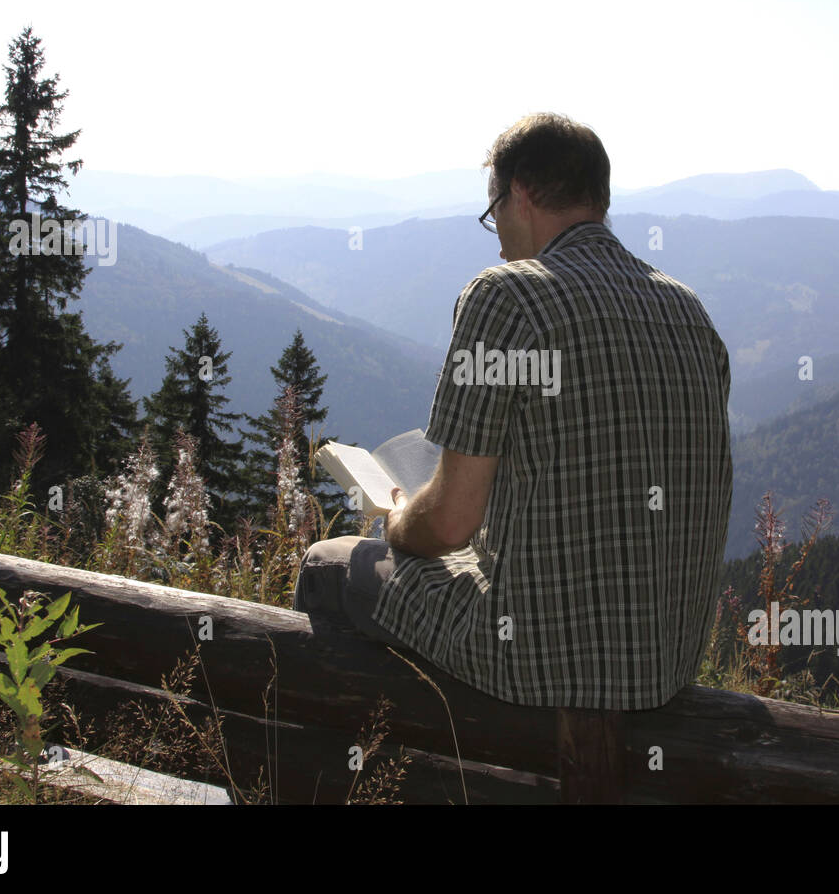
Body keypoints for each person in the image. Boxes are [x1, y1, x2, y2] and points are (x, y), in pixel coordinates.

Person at [293, 112, 732, 711]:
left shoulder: (506, 295)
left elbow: (448, 524)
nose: (496, 234)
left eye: (493, 210)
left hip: (533, 658)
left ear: (519, 195)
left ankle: (339, 773)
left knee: (328, 564)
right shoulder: (690, 313)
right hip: (667, 665)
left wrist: (395, 517)